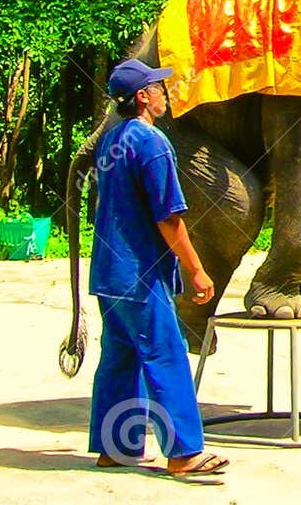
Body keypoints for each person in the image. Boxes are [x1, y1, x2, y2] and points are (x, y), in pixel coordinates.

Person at [87, 58, 229, 480]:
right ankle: (184, 453)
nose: (164, 94)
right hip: (139, 274)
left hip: (110, 273)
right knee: (165, 354)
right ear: (143, 97)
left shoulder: (112, 141)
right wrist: (196, 269)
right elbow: (168, 218)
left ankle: (115, 448)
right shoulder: (152, 143)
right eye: (158, 88)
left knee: (120, 356)